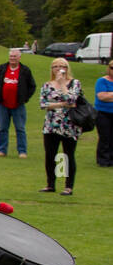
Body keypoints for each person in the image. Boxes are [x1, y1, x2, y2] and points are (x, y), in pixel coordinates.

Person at [39, 59, 82, 195]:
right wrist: (61, 104)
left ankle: (68, 186)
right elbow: (43, 104)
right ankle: (50, 184)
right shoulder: (47, 85)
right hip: (51, 125)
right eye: (55, 67)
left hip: (69, 125)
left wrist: (63, 85)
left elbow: (72, 101)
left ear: (66, 68)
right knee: (50, 155)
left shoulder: (74, 83)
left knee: (67, 155)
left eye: (61, 66)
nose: (58, 69)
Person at [0, 47, 35, 157]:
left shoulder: (25, 70)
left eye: (14, 56)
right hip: (3, 105)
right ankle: (2, 150)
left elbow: (32, 86)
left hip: (18, 106)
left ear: (19, 57)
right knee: (3, 129)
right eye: (11, 56)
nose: (12, 58)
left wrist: (24, 98)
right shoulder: (2, 69)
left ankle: (22, 151)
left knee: (20, 129)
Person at [96, 60, 113, 167]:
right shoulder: (102, 81)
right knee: (105, 136)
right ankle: (103, 159)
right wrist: (108, 96)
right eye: (112, 68)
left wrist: (110, 95)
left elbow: (107, 96)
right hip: (103, 113)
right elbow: (102, 97)